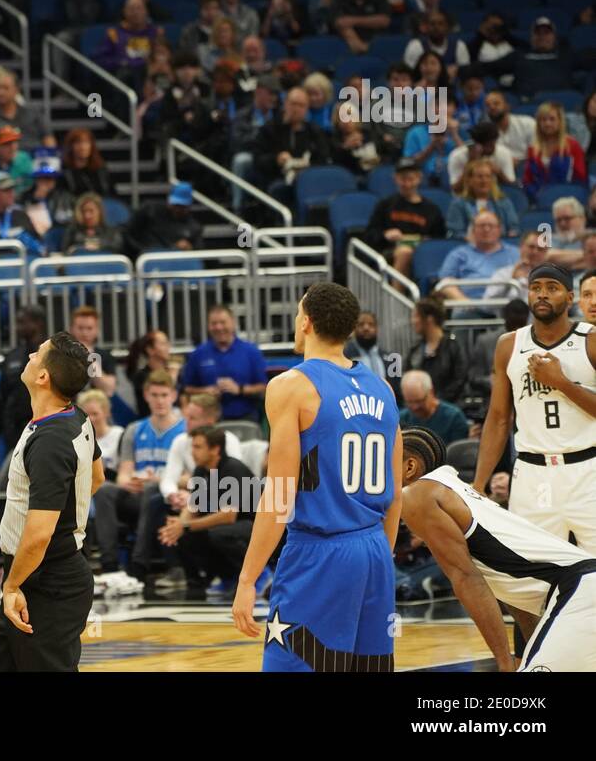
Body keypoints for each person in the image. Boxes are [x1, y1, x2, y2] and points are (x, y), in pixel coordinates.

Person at [233, 283, 402, 671]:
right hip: (374, 549)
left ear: (306, 322)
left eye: (297, 314)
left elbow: (278, 495)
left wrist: (247, 580)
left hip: (320, 552)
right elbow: (396, 496)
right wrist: (382, 557)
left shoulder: (291, 386)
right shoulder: (384, 389)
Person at [400, 426, 596, 672]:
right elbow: (511, 588)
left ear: (410, 467)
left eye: (387, 460)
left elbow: (466, 579)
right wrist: (526, 655)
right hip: (578, 590)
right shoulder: (454, 486)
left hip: (578, 589)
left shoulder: (416, 495)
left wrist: (504, 663)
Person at [0, 333, 103, 672]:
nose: (28, 353)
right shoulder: (75, 416)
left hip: (47, 578)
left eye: (37, 353)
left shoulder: (52, 440)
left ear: (43, 377)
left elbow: (39, 535)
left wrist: (12, 585)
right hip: (39, 572)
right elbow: (97, 479)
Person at [474, 263, 596, 551]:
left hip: (587, 471)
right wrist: (479, 483)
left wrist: (561, 382)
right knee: (534, 575)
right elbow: (499, 418)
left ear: (569, 298)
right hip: (532, 474)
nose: (542, 295)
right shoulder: (509, 345)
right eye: (536, 288)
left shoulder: (590, 340)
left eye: (551, 289)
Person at [92, 369, 186, 580]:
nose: (160, 401)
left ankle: (139, 564)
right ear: (146, 396)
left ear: (173, 395)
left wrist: (160, 480)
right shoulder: (135, 430)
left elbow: (190, 477)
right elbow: (124, 472)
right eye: (154, 395)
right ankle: (109, 566)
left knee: (153, 490)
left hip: (168, 497)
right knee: (105, 489)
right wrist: (128, 482)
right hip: (137, 494)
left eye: (164, 395)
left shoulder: (185, 430)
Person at [159, 425, 257, 598]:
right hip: (227, 526)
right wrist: (178, 526)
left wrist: (186, 525)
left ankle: (260, 574)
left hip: (254, 526)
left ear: (215, 449)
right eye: (192, 447)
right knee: (183, 535)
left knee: (219, 533)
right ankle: (224, 577)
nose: (192, 452)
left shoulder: (232, 468)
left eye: (198, 447)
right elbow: (193, 507)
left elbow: (228, 515)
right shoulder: (200, 470)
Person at [180, 305, 267, 421]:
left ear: (233, 323)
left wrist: (239, 389)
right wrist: (205, 391)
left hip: (246, 419)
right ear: (208, 326)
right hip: (208, 421)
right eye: (214, 323)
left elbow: (264, 387)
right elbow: (187, 389)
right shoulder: (198, 354)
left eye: (223, 322)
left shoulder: (251, 352)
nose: (219, 327)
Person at [364, 157, 446, 277]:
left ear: (419, 178)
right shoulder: (385, 205)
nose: (407, 184)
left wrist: (427, 242)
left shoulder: (432, 209)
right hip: (389, 253)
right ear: (395, 179)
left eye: (411, 179)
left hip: (422, 254)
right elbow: (369, 235)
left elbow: (440, 239)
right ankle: (396, 294)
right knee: (405, 252)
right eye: (403, 179)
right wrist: (385, 235)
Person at [0, 308, 47, 452]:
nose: (17, 327)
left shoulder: (53, 354)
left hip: (45, 427)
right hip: (14, 432)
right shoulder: (12, 356)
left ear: (38, 324)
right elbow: (1, 398)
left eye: (22, 323)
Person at [404, 299, 469, 405]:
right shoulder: (415, 350)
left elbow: (460, 380)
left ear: (430, 319)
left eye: (416, 316)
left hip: (450, 407)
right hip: (419, 408)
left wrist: (436, 402)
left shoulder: (453, 346)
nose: (413, 321)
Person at [522, 101, 587, 199]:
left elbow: (580, 178)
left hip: (568, 197)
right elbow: (528, 180)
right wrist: (538, 195)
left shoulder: (572, 146)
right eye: (543, 120)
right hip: (539, 199)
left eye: (552, 119)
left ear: (560, 121)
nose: (547, 123)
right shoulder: (533, 149)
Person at [447, 158, 520, 239]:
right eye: (480, 177)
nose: (484, 180)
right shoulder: (458, 204)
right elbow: (455, 232)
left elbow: (514, 228)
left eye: (488, 176)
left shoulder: (504, 202)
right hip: (469, 246)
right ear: (469, 180)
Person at [399, 370, 471, 444]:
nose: (415, 407)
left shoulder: (454, 418)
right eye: (409, 402)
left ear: (431, 392)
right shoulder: (402, 419)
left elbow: (458, 451)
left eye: (419, 401)